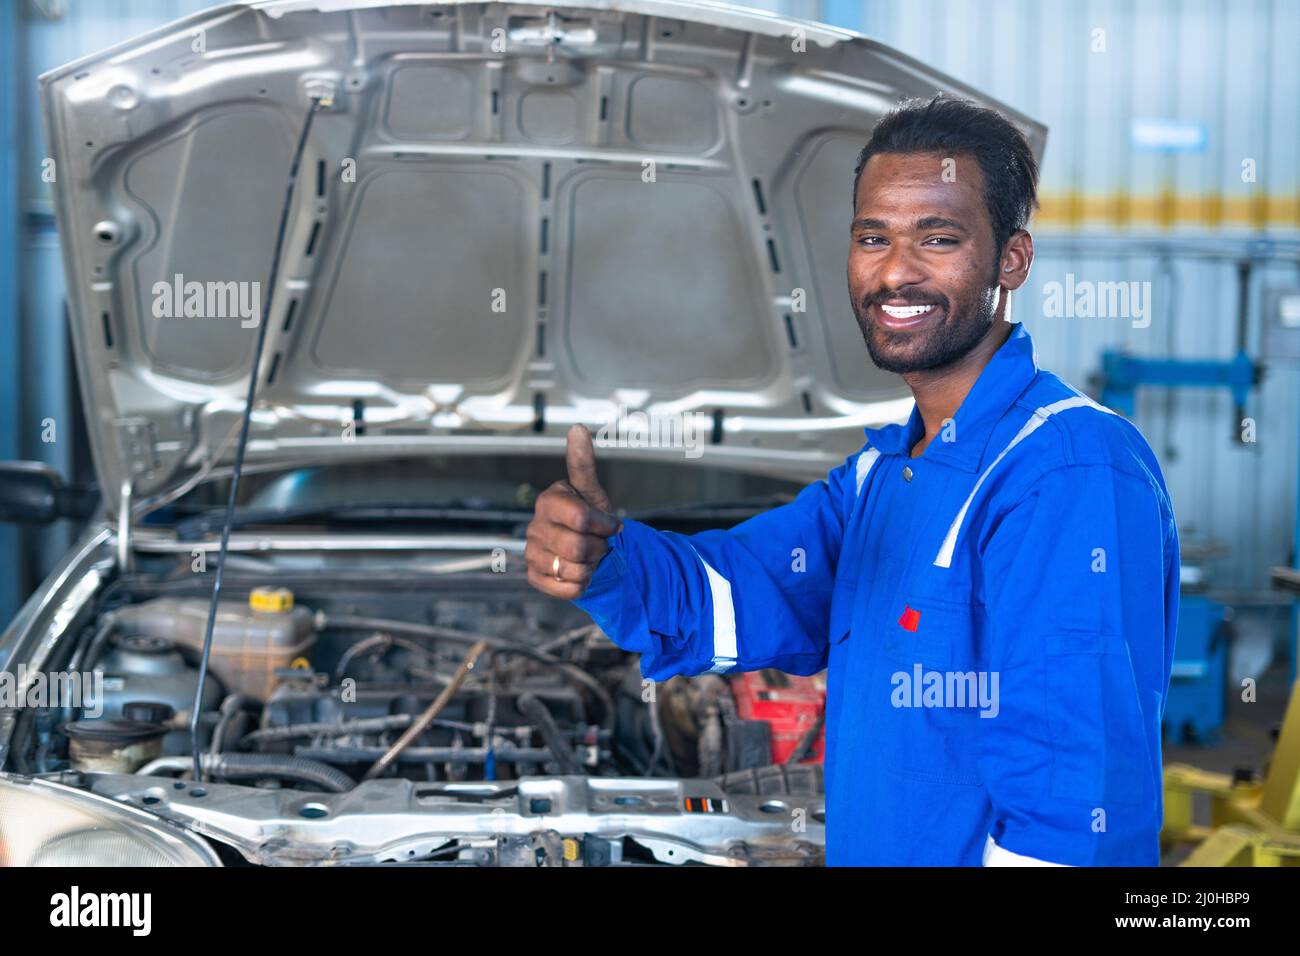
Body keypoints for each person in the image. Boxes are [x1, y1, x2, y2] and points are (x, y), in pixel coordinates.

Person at [523, 94, 1179, 866]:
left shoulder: (1066, 469)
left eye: (939, 238)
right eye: (874, 238)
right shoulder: (881, 475)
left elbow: (1077, 797)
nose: (896, 272)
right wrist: (610, 562)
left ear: (1012, 260)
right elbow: (739, 593)